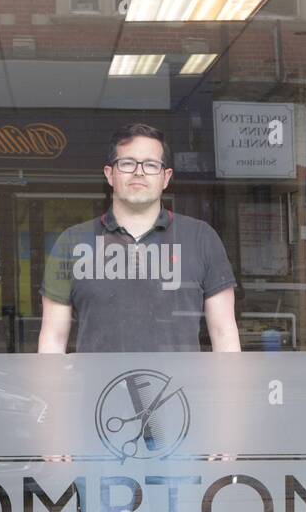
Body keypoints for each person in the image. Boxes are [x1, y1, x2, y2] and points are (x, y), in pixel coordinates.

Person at [38, 123, 240, 353]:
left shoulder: (202, 238)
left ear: (166, 178)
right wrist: (50, 389)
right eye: (127, 163)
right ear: (109, 174)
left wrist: (229, 389)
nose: (139, 171)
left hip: (178, 390)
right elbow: (53, 339)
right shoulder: (71, 243)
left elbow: (224, 335)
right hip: (98, 390)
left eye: (151, 165)